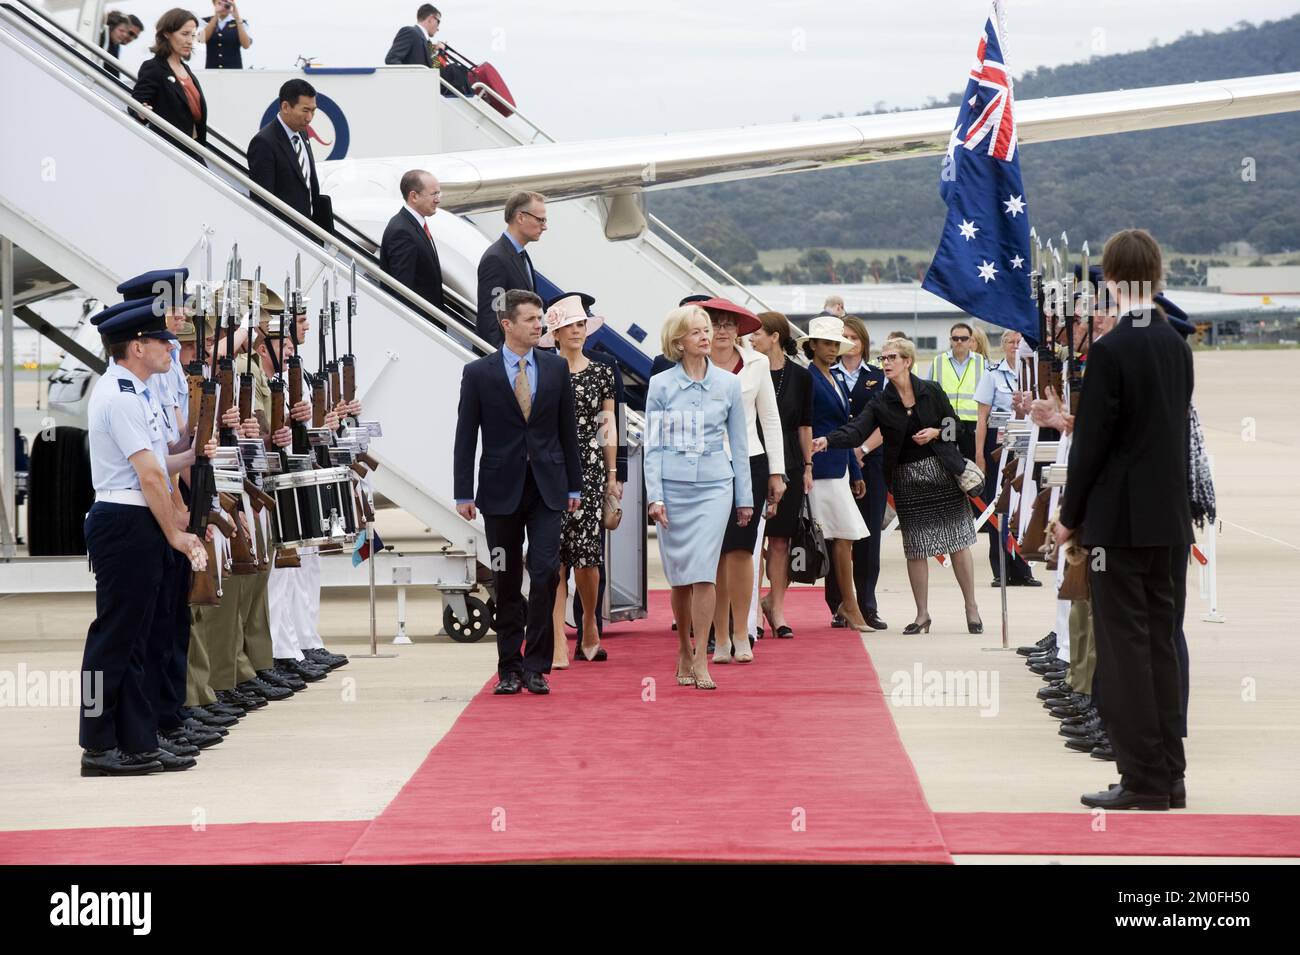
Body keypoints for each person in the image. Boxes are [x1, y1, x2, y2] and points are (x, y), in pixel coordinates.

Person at [1058, 229, 1193, 812]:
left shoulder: (1113, 350)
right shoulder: (1174, 342)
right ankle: (1169, 773)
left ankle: (1141, 779)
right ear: (1156, 275)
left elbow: (1093, 443)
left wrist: (1070, 516)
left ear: (1111, 279)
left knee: (1125, 651)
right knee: (1161, 642)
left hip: (1120, 522)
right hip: (1169, 517)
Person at [79, 299, 206, 776]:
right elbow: (149, 476)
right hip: (124, 519)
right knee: (112, 639)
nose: (171, 346)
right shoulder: (120, 396)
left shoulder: (140, 392)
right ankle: (96, 744)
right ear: (137, 346)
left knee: (137, 638)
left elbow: (161, 466)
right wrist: (176, 533)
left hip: (138, 518)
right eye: (161, 340)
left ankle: (136, 738)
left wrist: (191, 461)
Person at [454, 290, 582, 696]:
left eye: (540, 317)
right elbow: (465, 436)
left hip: (548, 490)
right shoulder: (479, 373)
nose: (538, 325)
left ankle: (536, 665)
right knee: (506, 576)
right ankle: (508, 666)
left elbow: (567, 433)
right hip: (498, 492)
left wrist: (574, 484)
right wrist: (463, 493)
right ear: (507, 324)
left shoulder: (556, 368)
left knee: (545, 572)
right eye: (530, 319)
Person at [815, 336, 982, 635]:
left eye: (892, 357)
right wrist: (828, 441)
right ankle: (922, 616)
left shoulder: (931, 390)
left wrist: (935, 432)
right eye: (883, 358)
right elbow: (856, 431)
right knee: (916, 548)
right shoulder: (882, 401)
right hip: (906, 478)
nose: (886, 363)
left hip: (942, 471)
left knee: (957, 542)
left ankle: (971, 608)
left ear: (907, 361)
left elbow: (958, 427)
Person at [644, 305, 752, 690]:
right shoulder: (660, 385)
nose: (706, 336)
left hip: (714, 486)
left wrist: (745, 498)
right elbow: (652, 446)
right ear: (679, 342)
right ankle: (683, 649)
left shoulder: (728, 384)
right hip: (672, 487)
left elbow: (739, 445)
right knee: (680, 578)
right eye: (696, 332)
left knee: (705, 571)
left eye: (707, 329)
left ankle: (703, 658)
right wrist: (654, 496)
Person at [699, 299, 783, 663]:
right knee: (713, 553)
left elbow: (771, 419)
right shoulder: (693, 363)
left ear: (739, 330)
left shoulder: (757, 363)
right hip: (703, 465)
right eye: (713, 324)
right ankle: (718, 637)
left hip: (750, 462)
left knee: (741, 551)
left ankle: (741, 632)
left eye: (728, 324)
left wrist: (778, 471)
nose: (721, 331)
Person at [543, 294, 620, 667]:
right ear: (555, 333)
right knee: (553, 558)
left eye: (581, 325)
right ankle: (557, 637)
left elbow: (607, 428)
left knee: (588, 560)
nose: (577, 330)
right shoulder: (542, 369)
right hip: (549, 471)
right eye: (570, 325)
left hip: (589, 470)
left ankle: (589, 621)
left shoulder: (603, 371)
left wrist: (612, 475)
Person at [804, 317, 871, 632]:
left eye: (836, 344)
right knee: (840, 538)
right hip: (820, 471)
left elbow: (845, 430)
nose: (832, 350)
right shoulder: (808, 379)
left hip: (840, 468)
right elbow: (803, 428)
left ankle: (847, 604)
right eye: (827, 343)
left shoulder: (837, 379)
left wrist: (855, 468)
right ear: (813, 345)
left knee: (842, 539)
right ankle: (849, 605)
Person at [822, 315, 888, 630]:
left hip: (870, 461)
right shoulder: (825, 374)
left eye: (854, 337)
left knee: (868, 537)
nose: (849, 342)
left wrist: (862, 451)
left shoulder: (878, 376)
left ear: (863, 341)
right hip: (835, 462)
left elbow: (887, 421)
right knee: (837, 534)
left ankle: (867, 603)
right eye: (842, 336)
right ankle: (838, 603)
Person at [750, 311, 812, 639]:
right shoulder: (746, 370)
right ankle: (751, 615)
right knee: (754, 538)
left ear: (775, 336)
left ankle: (776, 607)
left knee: (780, 541)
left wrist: (808, 467)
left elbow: (805, 425)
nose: (750, 339)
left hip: (789, 463)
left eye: (757, 333)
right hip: (755, 461)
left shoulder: (802, 378)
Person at [973, 329, 1039, 587]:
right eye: (1010, 342)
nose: (1014, 346)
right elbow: (981, 418)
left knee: (1023, 505)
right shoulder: (992, 376)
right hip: (998, 447)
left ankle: (1023, 568)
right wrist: (979, 455)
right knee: (997, 506)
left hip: (1024, 446)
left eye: (1019, 342)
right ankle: (1000, 568)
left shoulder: (1032, 374)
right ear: (1002, 346)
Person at [247, 78, 334, 232]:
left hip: (311, 232)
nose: (309, 118)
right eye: (305, 110)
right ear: (286, 107)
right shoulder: (264, 143)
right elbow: (263, 202)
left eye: (313, 111)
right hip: (287, 237)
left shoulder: (302, 133)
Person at [476, 191, 545, 347]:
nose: (544, 226)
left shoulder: (521, 255)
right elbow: (490, 318)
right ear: (520, 217)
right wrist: (500, 360)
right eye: (540, 220)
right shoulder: (497, 258)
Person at [131, 9, 207, 147]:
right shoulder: (154, 67)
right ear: (166, 33)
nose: (190, 41)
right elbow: (135, 104)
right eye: (184, 34)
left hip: (193, 145)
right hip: (171, 147)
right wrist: (141, 112)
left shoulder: (185, 68)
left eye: (193, 35)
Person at [380, 169, 446, 312]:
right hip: (421, 326)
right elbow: (403, 291)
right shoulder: (402, 232)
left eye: (439, 193)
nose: (438, 199)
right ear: (414, 196)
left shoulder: (413, 225)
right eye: (434, 194)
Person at [926, 321, 984, 460]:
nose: (959, 341)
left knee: (970, 465)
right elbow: (928, 392)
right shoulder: (938, 361)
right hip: (947, 421)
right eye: (955, 338)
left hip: (972, 422)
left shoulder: (981, 362)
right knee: (948, 463)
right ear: (950, 340)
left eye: (963, 338)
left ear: (970, 341)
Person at [201, 0, 251, 70]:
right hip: (212, 69)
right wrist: (216, 16)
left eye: (226, 3)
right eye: (220, 3)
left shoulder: (241, 22)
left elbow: (246, 45)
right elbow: (201, 40)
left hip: (234, 70)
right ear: (214, 3)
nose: (223, 6)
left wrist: (237, 19)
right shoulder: (205, 21)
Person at [99, 11, 143, 78]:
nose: (131, 38)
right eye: (130, 33)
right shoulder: (103, 41)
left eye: (135, 37)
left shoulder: (115, 45)